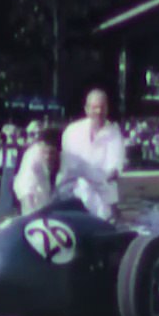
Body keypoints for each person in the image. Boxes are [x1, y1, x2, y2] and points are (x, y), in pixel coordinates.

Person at [55, 88, 126, 221]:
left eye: (102, 107)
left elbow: (114, 169)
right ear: (87, 109)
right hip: (70, 191)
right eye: (94, 108)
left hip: (102, 195)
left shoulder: (114, 135)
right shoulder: (72, 131)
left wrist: (100, 180)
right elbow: (66, 165)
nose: (98, 112)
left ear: (107, 109)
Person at [13, 126, 60, 215]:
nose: (48, 156)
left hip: (46, 196)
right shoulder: (32, 156)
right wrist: (28, 205)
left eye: (52, 153)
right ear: (40, 145)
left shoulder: (63, 157)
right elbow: (25, 184)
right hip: (31, 196)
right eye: (45, 152)